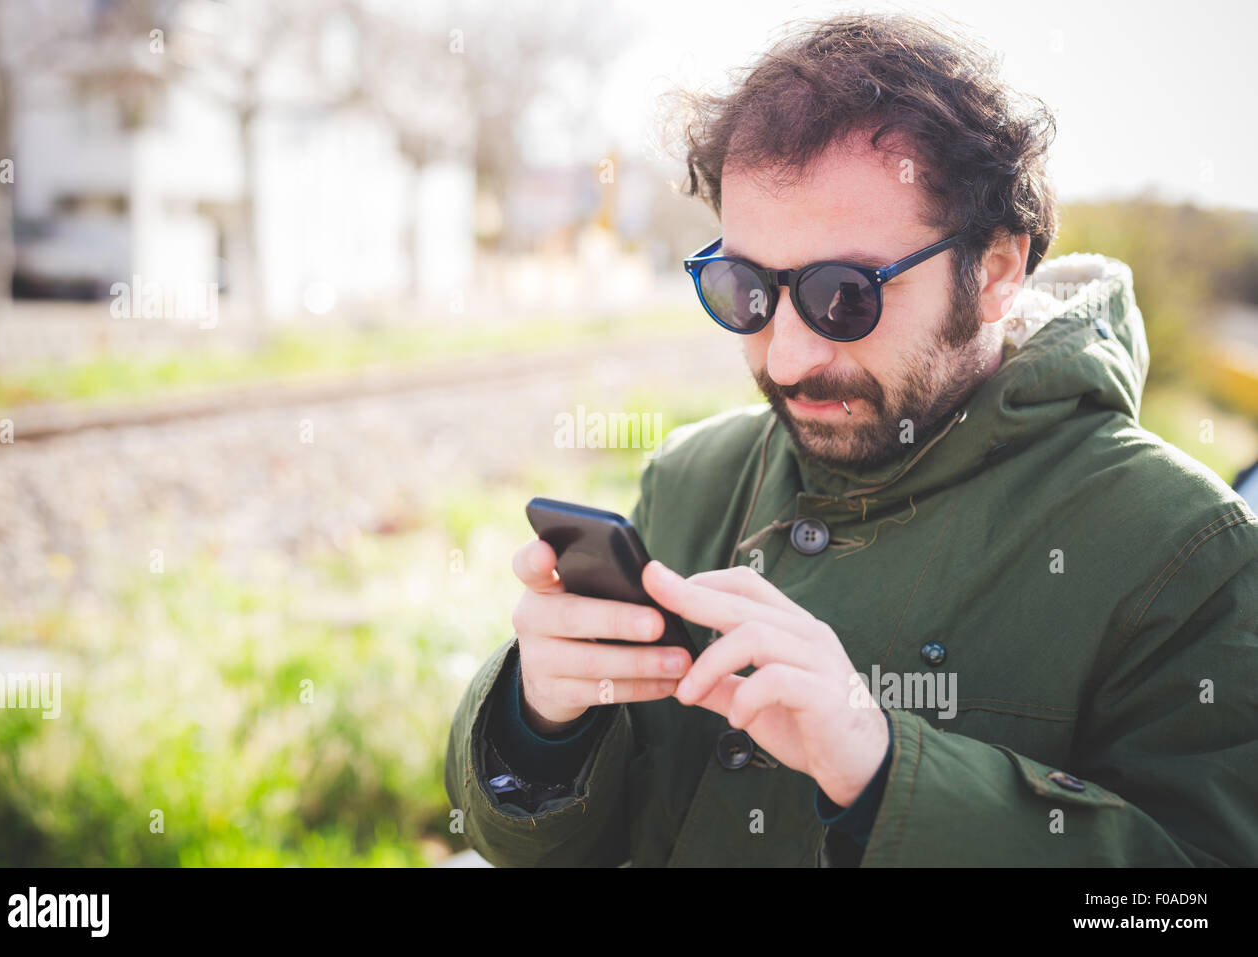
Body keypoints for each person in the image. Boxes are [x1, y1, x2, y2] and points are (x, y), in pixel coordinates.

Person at [445, 12, 1258, 866]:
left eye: (845, 295)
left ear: (995, 270)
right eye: (744, 288)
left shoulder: (1186, 550)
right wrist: (540, 728)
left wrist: (883, 773)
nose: (787, 360)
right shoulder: (692, 477)